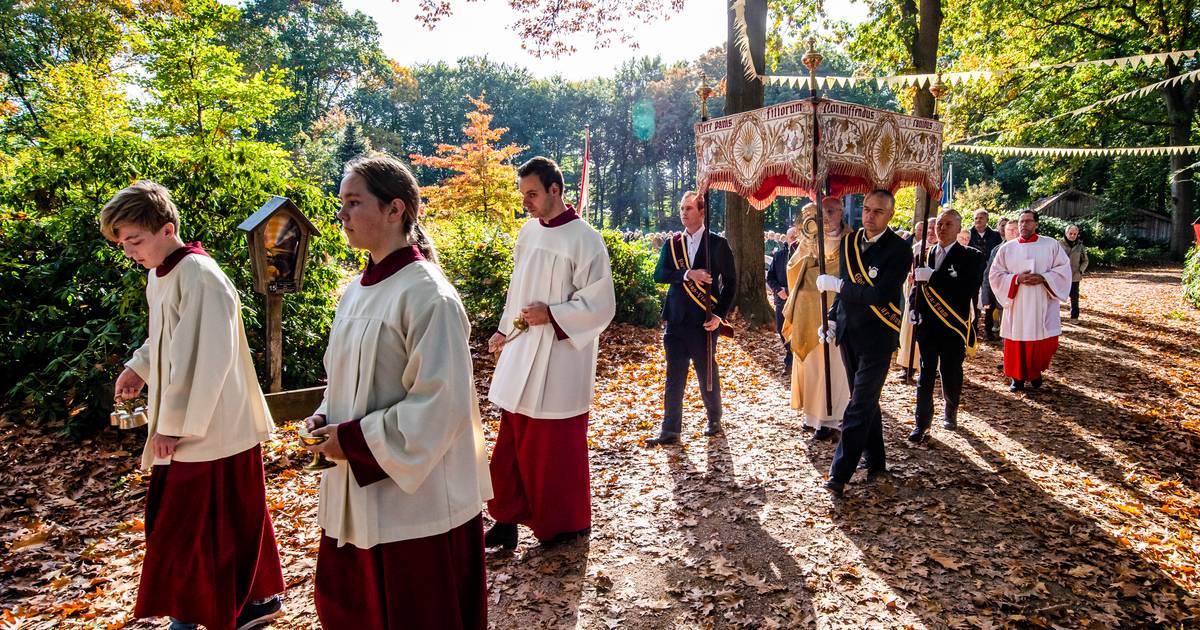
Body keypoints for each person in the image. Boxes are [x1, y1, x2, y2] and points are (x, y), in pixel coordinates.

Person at [302, 154, 492, 629]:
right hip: (358, 489)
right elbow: (342, 377)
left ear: (395, 210)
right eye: (341, 203)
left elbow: (439, 402)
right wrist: (325, 416)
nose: (341, 214)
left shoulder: (429, 295)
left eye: (353, 202)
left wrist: (351, 440)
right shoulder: (355, 291)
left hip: (417, 504)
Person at [104, 181, 284, 630]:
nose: (129, 251)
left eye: (135, 240)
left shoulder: (201, 276)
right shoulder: (160, 275)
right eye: (122, 243)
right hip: (194, 425)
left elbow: (207, 358)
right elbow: (166, 337)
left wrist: (173, 426)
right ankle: (255, 601)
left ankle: (201, 613)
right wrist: (138, 368)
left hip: (215, 428)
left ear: (167, 229)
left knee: (203, 523)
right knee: (223, 515)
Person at [485, 156, 616, 549]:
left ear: (555, 190)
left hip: (561, 357)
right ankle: (506, 518)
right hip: (523, 347)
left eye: (533, 193)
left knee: (553, 448)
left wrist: (553, 315)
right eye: (523, 193)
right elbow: (517, 289)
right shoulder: (528, 232)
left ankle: (564, 524)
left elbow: (601, 305)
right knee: (511, 440)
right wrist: (502, 330)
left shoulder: (585, 239)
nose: (526, 200)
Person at [815, 189, 913, 497]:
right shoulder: (849, 243)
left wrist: (840, 285)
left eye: (877, 211)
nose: (869, 216)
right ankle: (876, 461)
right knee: (866, 399)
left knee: (857, 404)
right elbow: (842, 293)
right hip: (849, 333)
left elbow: (880, 295)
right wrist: (831, 318)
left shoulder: (899, 250)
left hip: (878, 335)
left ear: (890, 215)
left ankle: (839, 475)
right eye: (866, 209)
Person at [645, 190, 737, 446]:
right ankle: (670, 429)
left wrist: (719, 316)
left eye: (689, 208)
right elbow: (659, 274)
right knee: (674, 376)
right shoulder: (672, 243)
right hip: (675, 320)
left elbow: (730, 284)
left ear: (701, 211)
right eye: (682, 208)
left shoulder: (717, 244)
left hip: (704, 321)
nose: (683, 213)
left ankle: (714, 418)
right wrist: (687, 274)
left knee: (706, 372)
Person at [908, 210, 984, 441]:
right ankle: (921, 423)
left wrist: (933, 277)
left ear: (959, 228)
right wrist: (913, 306)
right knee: (925, 374)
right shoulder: (924, 253)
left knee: (950, 372)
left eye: (948, 224)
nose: (941, 228)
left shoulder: (972, 256)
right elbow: (917, 287)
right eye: (939, 224)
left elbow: (966, 289)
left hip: (953, 327)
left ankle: (951, 409)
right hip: (928, 326)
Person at [781, 199, 850, 441]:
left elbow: (853, 273)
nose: (827, 216)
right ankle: (815, 417)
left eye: (831, 211)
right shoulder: (809, 239)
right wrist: (809, 261)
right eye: (822, 212)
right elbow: (792, 269)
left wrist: (831, 280)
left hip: (840, 311)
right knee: (814, 366)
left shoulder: (851, 240)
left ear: (841, 212)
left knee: (837, 366)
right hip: (808, 311)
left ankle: (838, 418)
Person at [988, 210, 1072, 392]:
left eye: (1028, 221)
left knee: (1041, 340)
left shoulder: (1050, 245)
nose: (1023, 225)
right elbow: (995, 275)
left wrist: (1045, 278)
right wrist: (1016, 280)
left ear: (1036, 224)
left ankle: (1035, 373)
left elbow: (1064, 269)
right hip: (1016, 302)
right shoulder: (1007, 248)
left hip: (1042, 300)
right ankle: (1016, 378)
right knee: (1016, 339)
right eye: (1021, 222)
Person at [897, 220, 936, 382]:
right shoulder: (916, 248)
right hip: (916, 296)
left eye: (935, 228)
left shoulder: (943, 250)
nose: (933, 231)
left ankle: (932, 368)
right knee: (910, 333)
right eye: (930, 228)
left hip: (935, 300)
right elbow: (905, 271)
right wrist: (909, 277)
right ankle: (908, 367)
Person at [968, 209, 1003, 338]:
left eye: (981, 218)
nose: (978, 220)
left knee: (990, 301)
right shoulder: (969, 234)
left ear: (987, 220)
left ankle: (988, 329)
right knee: (973, 300)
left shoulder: (995, 235)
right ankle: (973, 329)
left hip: (989, 273)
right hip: (973, 273)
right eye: (976, 218)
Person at [768, 227, 799, 368]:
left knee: (796, 329)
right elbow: (770, 277)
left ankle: (793, 359)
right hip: (782, 298)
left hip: (799, 299)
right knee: (781, 329)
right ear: (786, 238)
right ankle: (789, 353)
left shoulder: (804, 254)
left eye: (796, 236)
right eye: (791, 236)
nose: (794, 238)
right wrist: (778, 290)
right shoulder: (779, 255)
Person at [979, 217, 1010, 341]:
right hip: (997, 289)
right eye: (1003, 226)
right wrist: (986, 294)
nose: (1005, 229)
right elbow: (988, 272)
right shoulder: (996, 248)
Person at [1060, 224, 1089, 320]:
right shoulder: (1058, 244)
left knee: (1074, 297)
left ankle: (1074, 317)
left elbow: (1085, 260)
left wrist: (1081, 270)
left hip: (1075, 276)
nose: (1072, 236)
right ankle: (1055, 317)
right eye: (1070, 233)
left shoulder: (1080, 246)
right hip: (1061, 276)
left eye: (1075, 234)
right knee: (1056, 297)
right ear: (1066, 233)